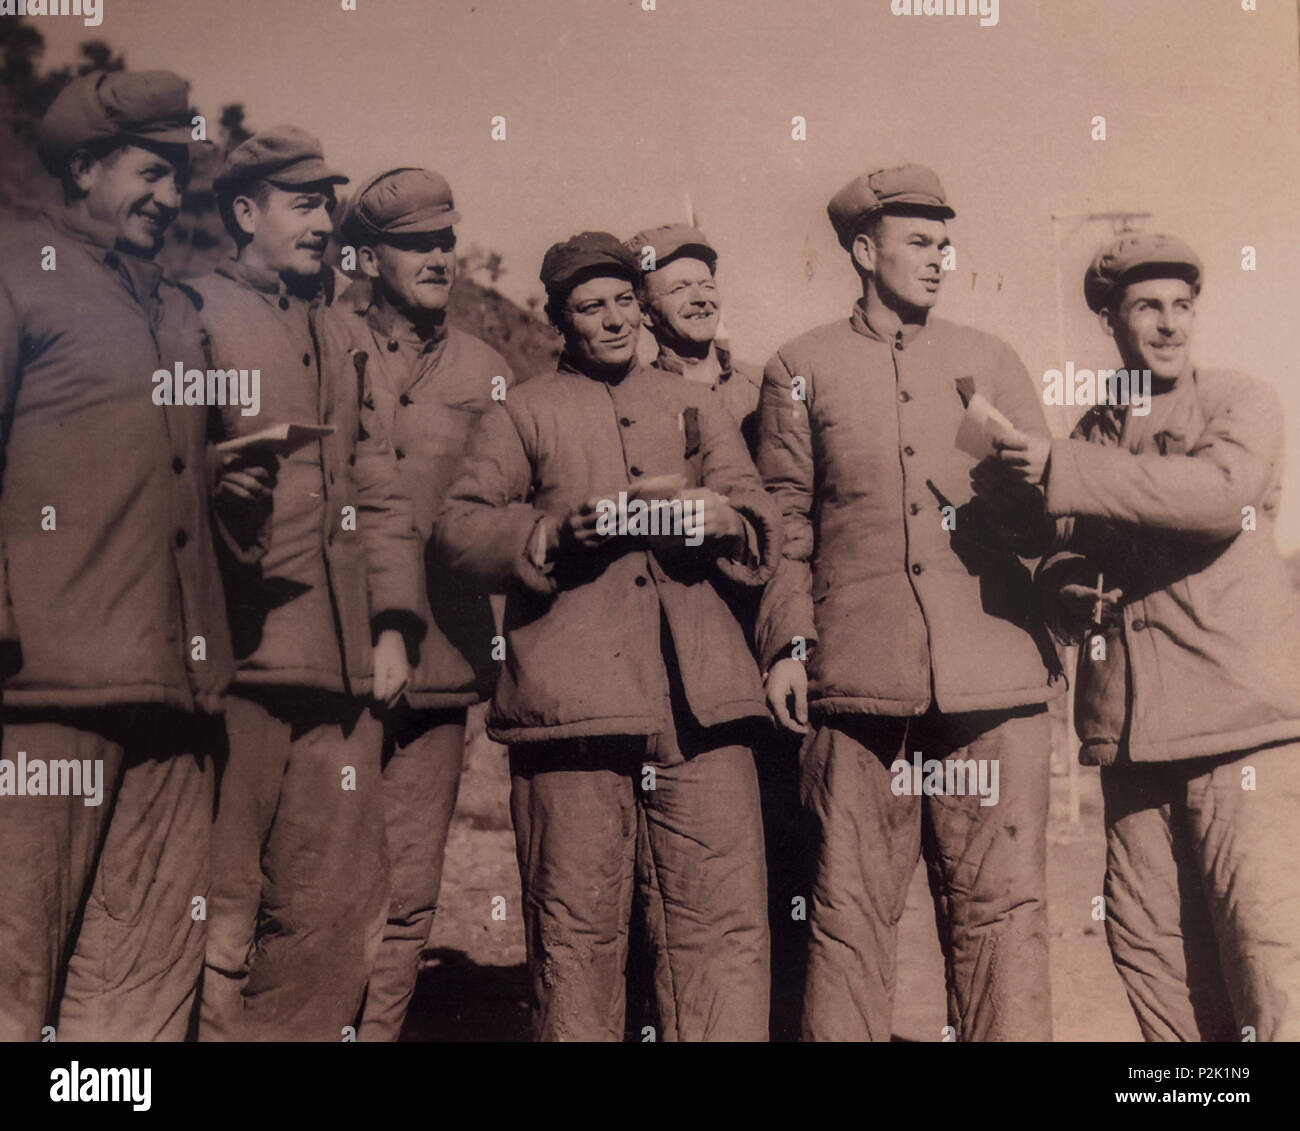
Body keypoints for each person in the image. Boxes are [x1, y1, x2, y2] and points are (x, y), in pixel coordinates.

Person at [437, 231, 778, 1041]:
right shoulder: (523, 410)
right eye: (592, 307)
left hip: (703, 709)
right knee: (575, 934)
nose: (616, 319)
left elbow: (759, 512)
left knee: (723, 927)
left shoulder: (692, 402)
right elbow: (458, 530)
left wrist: (724, 518)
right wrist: (553, 534)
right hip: (573, 715)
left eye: (626, 300)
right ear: (559, 319)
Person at [759, 164, 1061, 1041]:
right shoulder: (800, 366)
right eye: (919, 242)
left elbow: (1048, 517)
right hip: (857, 682)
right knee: (847, 912)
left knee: (1002, 911)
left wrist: (1024, 490)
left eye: (946, 245)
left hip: (993, 678)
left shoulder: (989, 358)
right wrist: (788, 645)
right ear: (863, 250)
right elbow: (785, 523)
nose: (939, 259)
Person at [0, 70, 267, 1040]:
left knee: (141, 988)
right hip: (45, 692)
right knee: (14, 964)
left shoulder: (173, 308)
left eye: (177, 176)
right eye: (149, 172)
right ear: (84, 167)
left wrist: (232, 490)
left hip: (176, 695)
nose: (169, 195)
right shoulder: (16, 275)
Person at [986, 232, 1300, 1042]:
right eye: (1147, 307)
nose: (1169, 324)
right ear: (1110, 321)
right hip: (1131, 740)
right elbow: (1067, 545)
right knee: (1151, 950)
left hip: (1239, 729)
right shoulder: (1093, 432)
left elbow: (1217, 496)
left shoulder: (1240, 401)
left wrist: (1062, 468)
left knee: (1265, 951)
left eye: (1182, 306)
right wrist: (1064, 587)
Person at [194, 126, 425, 1041]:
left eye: (328, 204)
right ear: (244, 211)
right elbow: (158, 471)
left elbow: (378, 481)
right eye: (303, 204)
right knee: (219, 902)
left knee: (332, 901)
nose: (325, 222)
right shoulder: (195, 313)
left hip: (342, 666)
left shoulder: (344, 331)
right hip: (238, 660)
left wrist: (393, 625)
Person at [338, 167, 515, 1040]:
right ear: (370, 257)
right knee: (317, 880)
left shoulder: (488, 372)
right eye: (415, 244)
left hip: (441, 662)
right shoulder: (325, 343)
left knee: (410, 890)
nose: (439, 256)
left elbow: (507, 506)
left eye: (446, 240)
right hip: (335, 659)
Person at [626, 223, 763, 451]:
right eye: (678, 289)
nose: (700, 299)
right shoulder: (634, 402)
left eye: (707, 286)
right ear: (644, 313)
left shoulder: (762, 386)